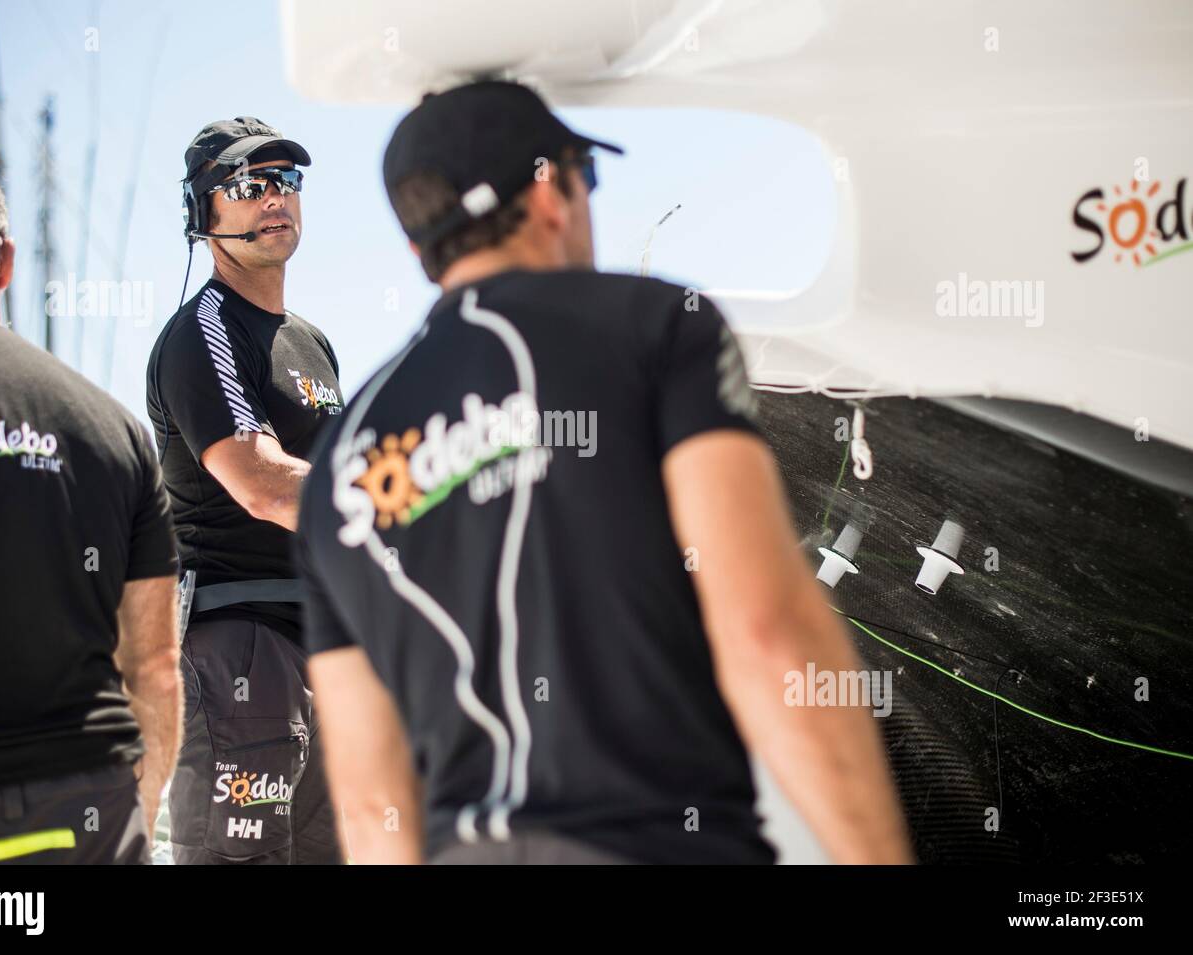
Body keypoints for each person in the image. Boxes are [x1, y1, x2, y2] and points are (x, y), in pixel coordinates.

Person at [296, 81, 914, 864]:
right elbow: (767, 635)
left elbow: (370, 799)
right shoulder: (654, 327)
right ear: (552, 191)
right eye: (587, 172)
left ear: (421, 250)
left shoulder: (336, 466)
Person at [0, 155, 181, 864]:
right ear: (5, 263)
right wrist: (133, 818)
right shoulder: (114, 428)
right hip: (90, 809)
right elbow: (155, 667)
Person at [146, 118, 342, 864]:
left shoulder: (312, 341)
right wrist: (403, 500)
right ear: (204, 215)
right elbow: (261, 482)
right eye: (249, 184)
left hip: (323, 647)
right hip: (242, 650)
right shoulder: (204, 332)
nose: (274, 198)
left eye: (286, 181)